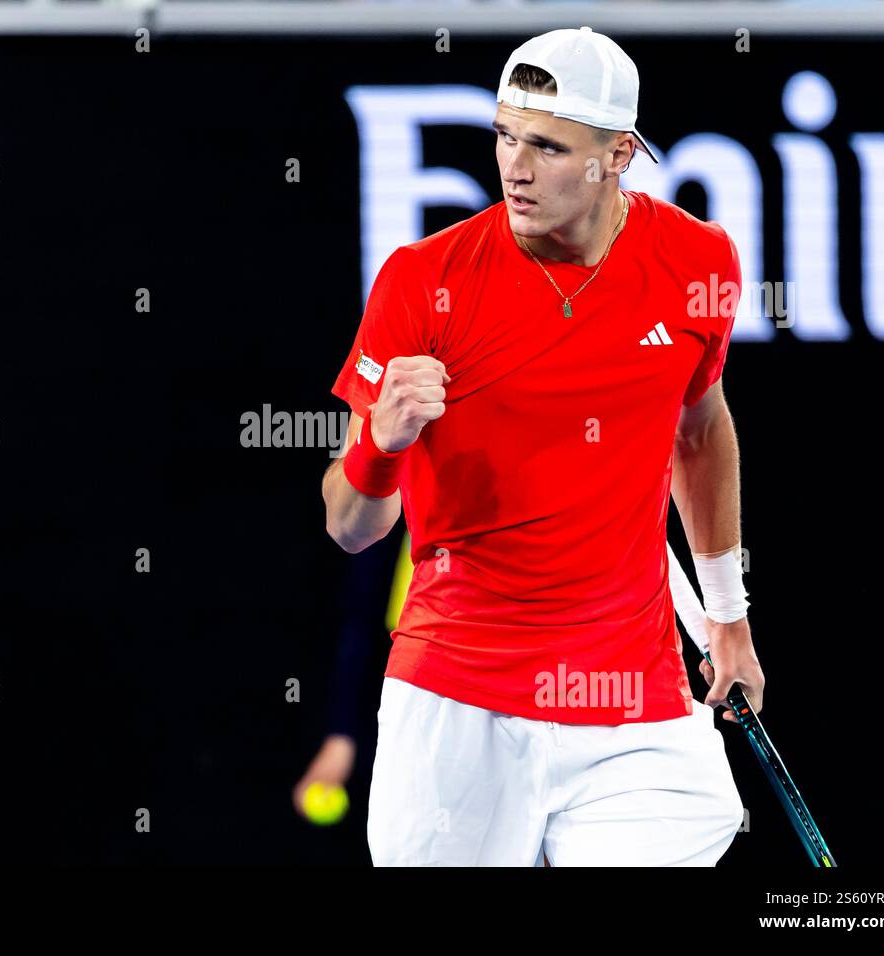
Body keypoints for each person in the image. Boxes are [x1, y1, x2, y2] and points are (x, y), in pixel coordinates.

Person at [321, 26, 760, 866]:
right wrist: (382, 442)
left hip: (637, 708)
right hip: (456, 706)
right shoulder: (423, 280)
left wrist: (728, 620)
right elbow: (352, 525)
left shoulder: (700, 262)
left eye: (548, 147)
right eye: (504, 136)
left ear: (618, 155)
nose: (514, 168)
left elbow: (700, 434)